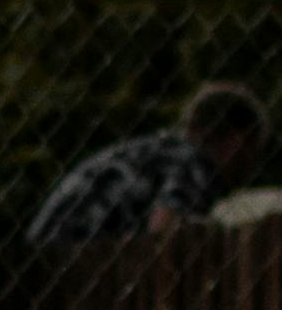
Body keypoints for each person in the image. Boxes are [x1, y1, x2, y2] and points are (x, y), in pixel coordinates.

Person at [26, 83, 267, 244]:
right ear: (237, 143)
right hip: (75, 259)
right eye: (254, 151)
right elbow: (164, 229)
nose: (253, 167)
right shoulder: (196, 162)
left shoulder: (158, 152)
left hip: (49, 254)